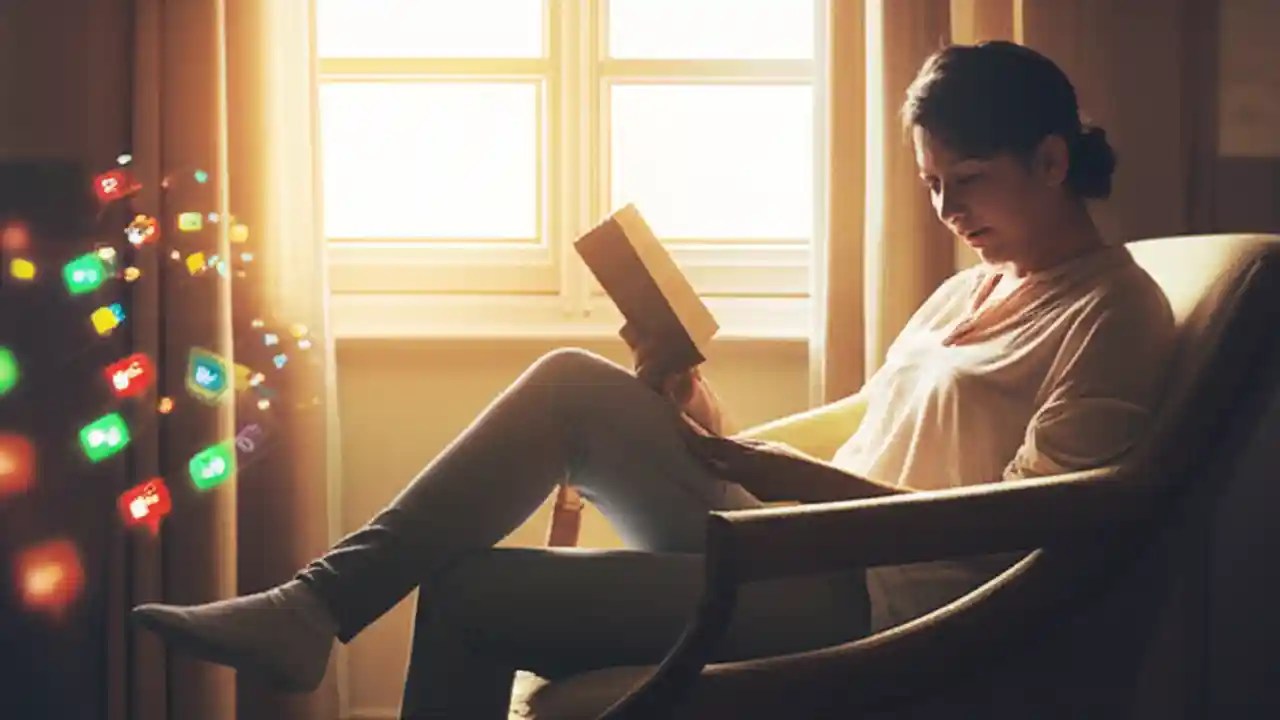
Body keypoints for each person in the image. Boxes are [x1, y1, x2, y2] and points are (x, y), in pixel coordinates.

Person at [132, 40, 1176, 717]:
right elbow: (864, 423)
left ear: (1051, 161)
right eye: (931, 183)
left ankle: (311, 614)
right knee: (574, 383)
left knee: (473, 592)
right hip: (803, 540)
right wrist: (707, 431)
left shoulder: (1114, 311)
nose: (946, 210)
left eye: (969, 181)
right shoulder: (970, 286)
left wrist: (783, 486)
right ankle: (312, 608)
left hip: (882, 594)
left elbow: (1018, 531)